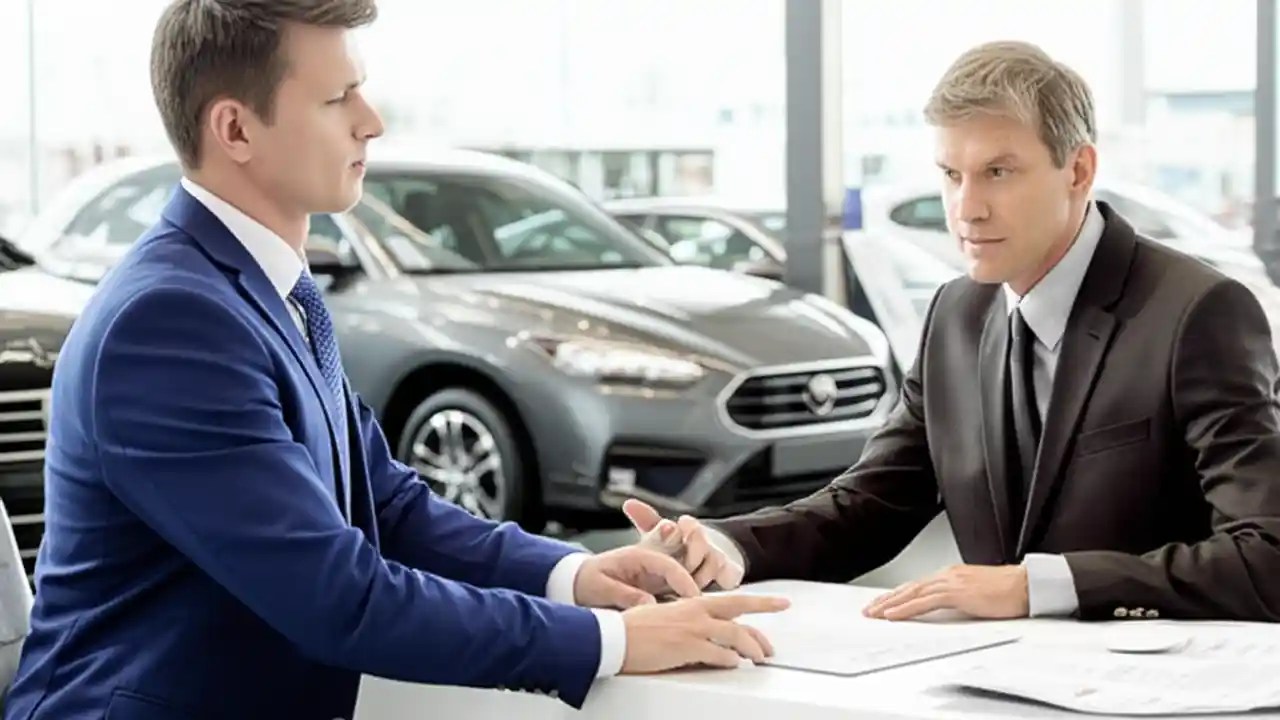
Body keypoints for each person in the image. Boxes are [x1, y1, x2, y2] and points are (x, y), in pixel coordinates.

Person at [3, 2, 787, 718]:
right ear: (236, 130)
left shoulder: (264, 291)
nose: (370, 122)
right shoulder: (169, 322)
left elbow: (390, 506)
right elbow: (339, 598)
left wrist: (578, 576)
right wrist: (609, 643)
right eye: (335, 98)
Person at [625, 39, 1280, 624]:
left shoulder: (1199, 312)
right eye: (950, 174)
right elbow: (871, 503)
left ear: (1078, 171)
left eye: (999, 172)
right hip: (989, 687)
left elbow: (1267, 557)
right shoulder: (956, 316)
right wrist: (727, 546)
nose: (966, 208)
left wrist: (1036, 587)